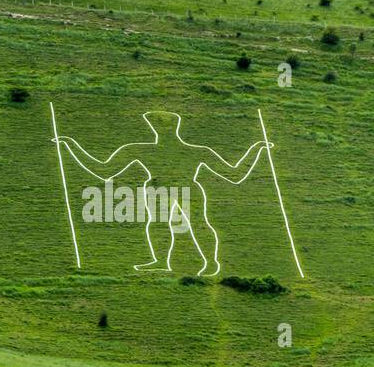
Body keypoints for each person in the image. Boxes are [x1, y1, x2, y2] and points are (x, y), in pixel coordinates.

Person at [55, 110, 270, 276]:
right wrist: (70, 145)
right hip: (159, 189)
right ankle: (161, 261)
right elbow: (104, 171)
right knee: (160, 223)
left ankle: (209, 262)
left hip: (182, 188)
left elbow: (234, 175)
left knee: (196, 223)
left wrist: (258, 148)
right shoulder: (144, 149)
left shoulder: (192, 151)